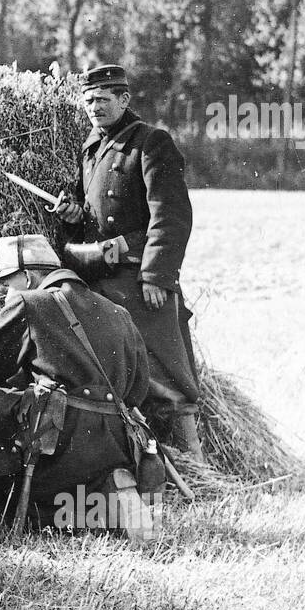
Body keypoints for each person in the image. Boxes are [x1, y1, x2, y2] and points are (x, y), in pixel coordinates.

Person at [0, 234, 156, 533]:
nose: (6, 294)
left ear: (26, 277)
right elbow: (138, 391)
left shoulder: (28, 303)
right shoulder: (119, 312)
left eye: (8, 285)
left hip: (58, 448)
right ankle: (109, 494)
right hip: (113, 445)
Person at [56, 64, 204, 461]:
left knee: (166, 374)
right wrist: (73, 216)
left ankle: (196, 465)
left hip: (139, 281)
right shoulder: (91, 150)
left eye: (103, 99)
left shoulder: (151, 143)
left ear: (124, 100)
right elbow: (93, 216)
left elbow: (170, 217)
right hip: (100, 278)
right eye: (88, 100)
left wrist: (157, 276)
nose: (94, 106)